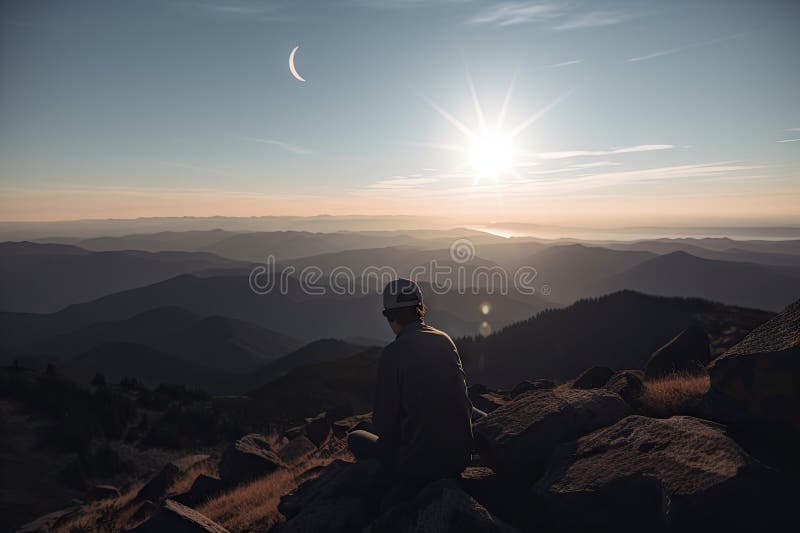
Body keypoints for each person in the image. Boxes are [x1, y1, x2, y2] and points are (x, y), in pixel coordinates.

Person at [348, 278, 474, 488]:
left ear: (390, 315)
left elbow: (384, 422)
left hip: (421, 466)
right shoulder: (445, 340)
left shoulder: (393, 353)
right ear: (420, 308)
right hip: (461, 459)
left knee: (357, 437)